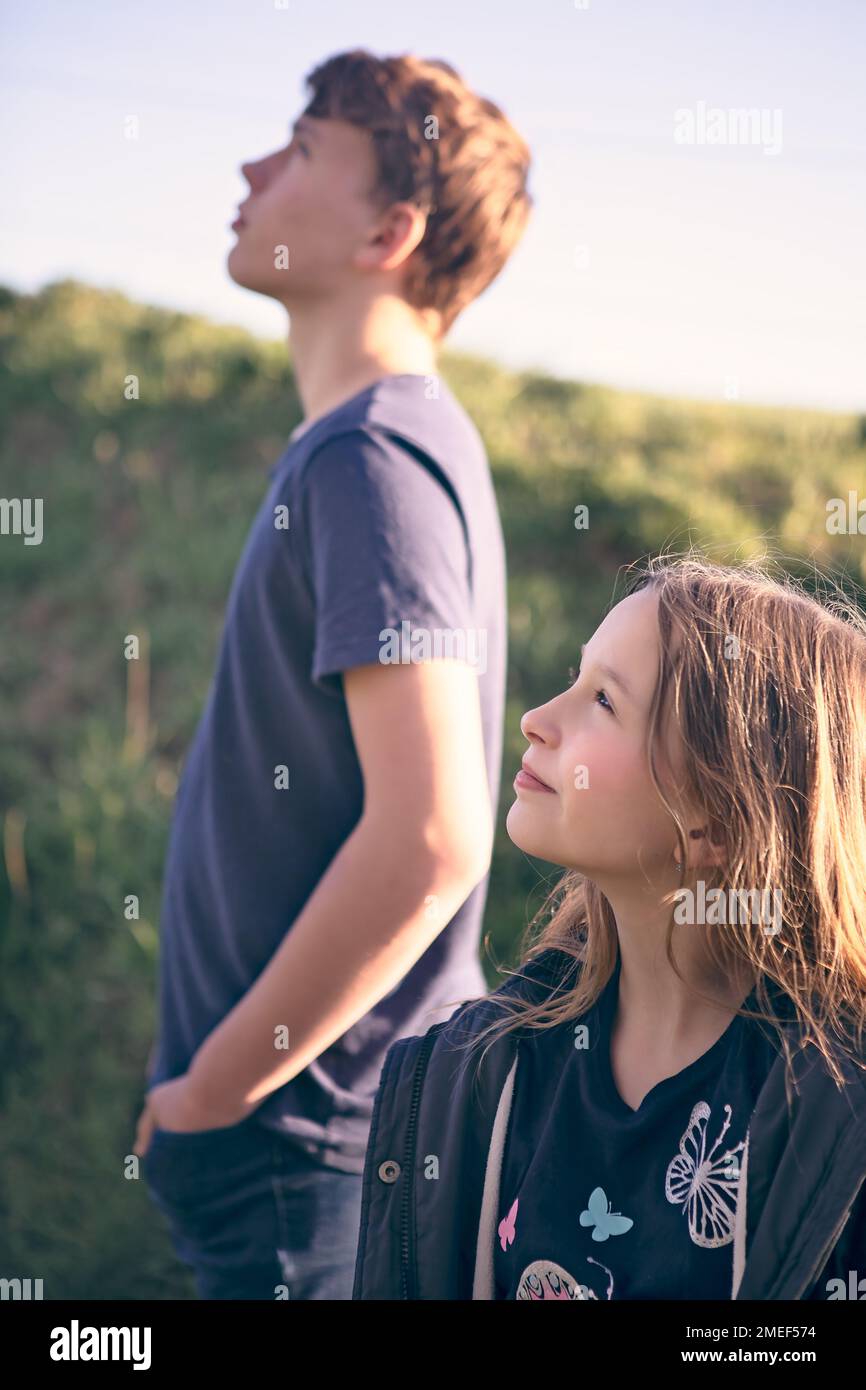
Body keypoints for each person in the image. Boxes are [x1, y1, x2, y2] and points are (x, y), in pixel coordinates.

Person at [133, 48, 533, 1300]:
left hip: (307, 1150)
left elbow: (428, 839)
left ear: (390, 229)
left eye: (302, 148)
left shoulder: (374, 456)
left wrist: (212, 1091)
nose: (254, 169)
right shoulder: (378, 444)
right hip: (318, 1137)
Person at [352, 552, 866, 1300]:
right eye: (575, 679)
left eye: (602, 702)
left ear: (716, 818)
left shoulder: (836, 1126)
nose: (536, 721)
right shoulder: (477, 1074)